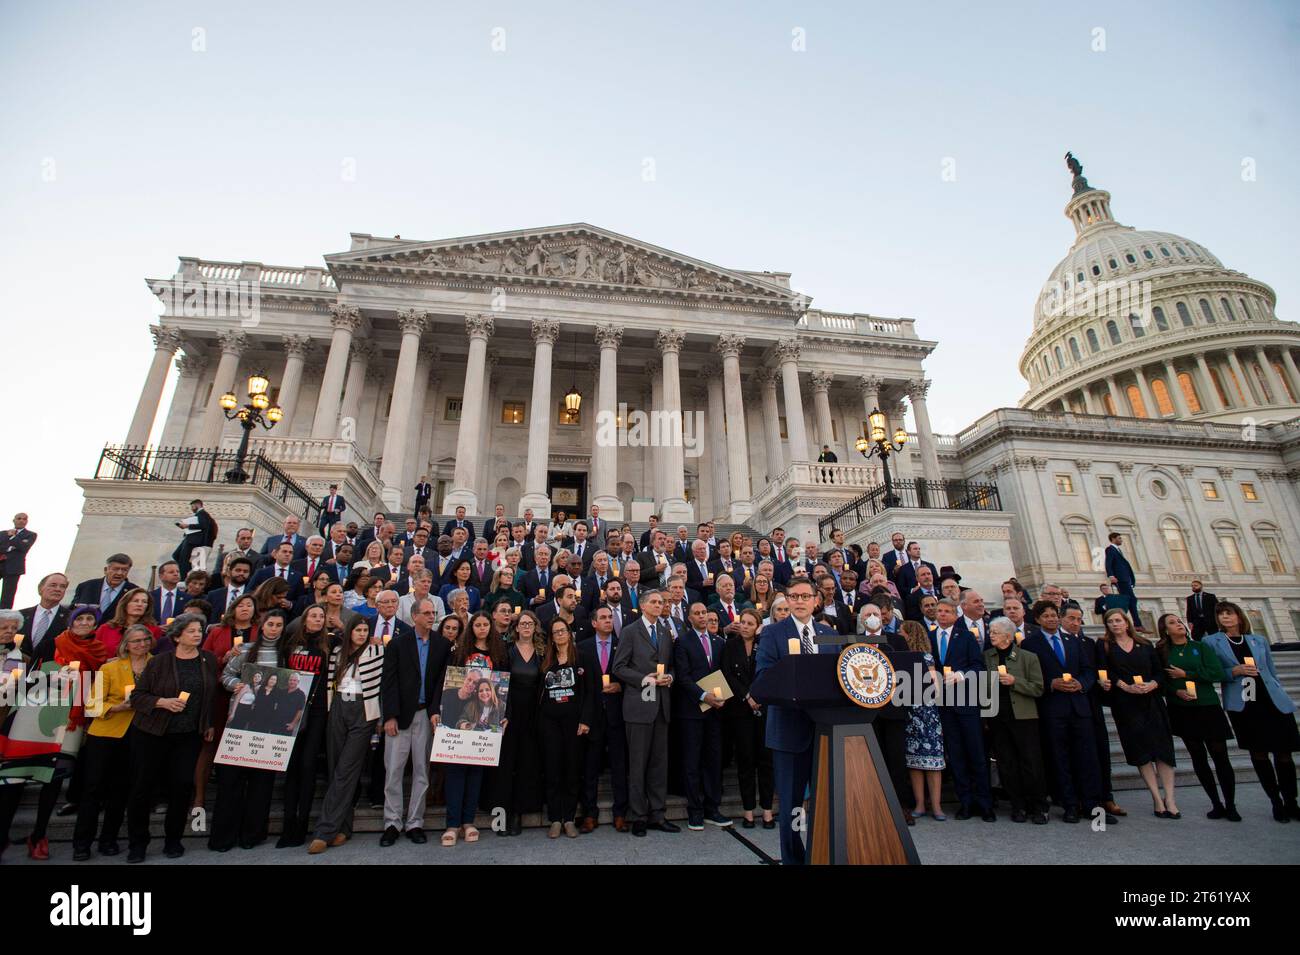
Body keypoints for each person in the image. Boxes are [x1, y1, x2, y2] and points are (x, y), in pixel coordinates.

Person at [0, 604, 109, 861]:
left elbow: (97, 688)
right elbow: (25, 679)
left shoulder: (100, 652)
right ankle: (2, 835)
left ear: (95, 625)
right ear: (70, 623)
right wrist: (50, 679)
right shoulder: (51, 643)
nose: (84, 622)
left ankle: (38, 835)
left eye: (89, 619)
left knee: (53, 782)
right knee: (14, 780)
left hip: (69, 724)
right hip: (32, 719)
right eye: (79, 618)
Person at [753, 576, 841, 864]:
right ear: (787, 600)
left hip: (824, 730)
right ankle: (793, 858)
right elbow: (763, 678)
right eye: (794, 596)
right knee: (792, 806)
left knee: (826, 799)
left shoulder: (827, 635)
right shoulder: (772, 633)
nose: (800, 601)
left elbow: (838, 676)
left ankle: (822, 852)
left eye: (805, 596)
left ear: (817, 601)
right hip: (788, 731)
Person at [125, 613, 218, 862]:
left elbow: (210, 695)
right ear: (177, 636)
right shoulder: (159, 663)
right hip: (153, 733)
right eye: (191, 631)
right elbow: (138, 697)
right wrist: (162, 702)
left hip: (188, 735)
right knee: (143, 788)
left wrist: (207, 723)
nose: (197, 635)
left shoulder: (208, 660)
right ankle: (138, 843)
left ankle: (173, 840)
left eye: (199, 630)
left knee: (181, 787)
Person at [1203, 602, 1299, 822]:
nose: (1225, 617)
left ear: (1239, 616)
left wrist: (1279, 692)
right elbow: (1212, 671)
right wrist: (1233, 671)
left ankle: (1291, 801)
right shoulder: (1211, 642)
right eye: (1220, 614)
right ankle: (1276, 803)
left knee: (1284, 754)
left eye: (1229, 613)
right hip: (1245, 701)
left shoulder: (1258, 640)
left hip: (1271, 699)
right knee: (1259, 753)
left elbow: (1271, 671)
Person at [1021, 600, 1107, 824]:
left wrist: (1081, 684)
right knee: (1060, 758)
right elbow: (1030, 676)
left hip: (1079, 707)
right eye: (1046, 616)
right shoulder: (1030, 644)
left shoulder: (1073, 640)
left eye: (1053, 615)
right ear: (1037, 619)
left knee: (1086, 757)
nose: (1051, 619)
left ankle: (1091, 804)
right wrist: (1051, 684)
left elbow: (1089, 670)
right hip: (1052, 708)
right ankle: (1069, 804)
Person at [71, 622, 152, 859]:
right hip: (106, 733)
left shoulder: (157, 665)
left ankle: (109, 839)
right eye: (136, 640)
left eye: (145, 640)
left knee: (121, 791)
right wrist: (118, 707)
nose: (142, 644)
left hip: (139, 734)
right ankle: (82, 842)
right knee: (94, 789)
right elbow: (93, 704)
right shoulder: (111, 668)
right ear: (126, 644)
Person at [208, 609, 286, 851]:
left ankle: (252, 834)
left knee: (261, 783)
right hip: (241, 718)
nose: (274, 628)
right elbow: (226, 675)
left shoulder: (285, 653)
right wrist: (236, 685)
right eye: (270, 624)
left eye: (279, 625)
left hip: (269, 721)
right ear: (262, 626)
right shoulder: (245, 650)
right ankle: (223, 836)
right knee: (231, 781)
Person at [379, 597, 451, 846]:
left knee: (422, 770)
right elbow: (388, 683)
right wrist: (389, 716)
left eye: (433, 613)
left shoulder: (442, 645)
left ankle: (415, 823)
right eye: (427, 613)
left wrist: (435, 711)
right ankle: (392, 823)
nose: (432, 617)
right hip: (399, 716)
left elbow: (441, 682)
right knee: (394, 770)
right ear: (415, 616)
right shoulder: (398, 644)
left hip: (425, 714)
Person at [309, 617, 383, 853]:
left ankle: (325, 830)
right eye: (357, 630)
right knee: (335, 767)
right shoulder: (337, 651)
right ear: (349, 631)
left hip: (364, 709)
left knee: (347, 768)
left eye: (365, 630)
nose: (361, 634)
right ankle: (344, 828)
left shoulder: (377, 649)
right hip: (339, 705)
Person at [1098, 609, 1179, 817]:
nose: (1115, 624)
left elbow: (1159, 671)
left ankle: (1169, 798)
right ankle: (1156, 798)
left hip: (1151, 700)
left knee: (1163, 749)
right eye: (1110, 622)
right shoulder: (1106, 646)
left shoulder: (1145, 644)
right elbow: (1105, 671)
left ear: (1127, 623)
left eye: (1118, 620)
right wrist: (1124, 687)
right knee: (1141, 751)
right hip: (1126, 704)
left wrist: (1152, 684)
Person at [1157, 612, 1237, 821]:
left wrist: (1187, 675)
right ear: (1165, 630)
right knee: (1198, 757)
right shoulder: (1163, 652)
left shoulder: (1200, 647)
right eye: (1173, 623)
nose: (1179, 625)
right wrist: (1176, 691)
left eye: (1180, 621)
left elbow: (1216, 672)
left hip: (1207, 706)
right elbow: (1160, 681)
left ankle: (1231, 803)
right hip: (1181, 708)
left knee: (1220, 756)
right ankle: (1216, 803)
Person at [611, 589, 678, 837]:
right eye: (654, 602)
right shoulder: (630, 632)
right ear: (643, 605)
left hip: (661, 705)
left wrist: (671, 676)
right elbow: (619, 667)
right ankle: (639, 816)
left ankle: (658, 815)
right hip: (639, 705)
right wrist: (644, 679)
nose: (659, 605)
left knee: (659, 765)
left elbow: (671, 665)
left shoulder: (665, 632)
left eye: (662, 602)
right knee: (638, 764)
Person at [438, 612, 507, 846]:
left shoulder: (498, 653)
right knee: (456, 770)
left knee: (476, 772)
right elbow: (444, 683)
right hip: (457, 717)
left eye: (486, 624)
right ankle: (452, 823)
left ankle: (468, 821)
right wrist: (435, 711)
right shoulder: (458, 652)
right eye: (477, 625)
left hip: (486, 719)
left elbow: (506, 685)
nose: (482, 628)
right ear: (471, 627)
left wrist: (505, 716)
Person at [276, 604, 333, 847]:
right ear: (304, 618)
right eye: (313, 616)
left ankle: (302, 824)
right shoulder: (290, 643)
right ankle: (288, 824)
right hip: (291, 707)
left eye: (322, 616)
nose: (318, 620)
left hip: (318, 708)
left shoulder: (329, 644)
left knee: (309, 765)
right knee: (293, 767)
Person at [983, 617, 1047, 824]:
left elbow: (1038, 687)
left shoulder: (1027, 657)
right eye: (990, 631)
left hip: (1023, 717)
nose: (991, 635)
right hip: (998, 717)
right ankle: (1017, 805)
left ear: (1008, 636)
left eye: (995, 632)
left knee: (1030, 762)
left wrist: (1015, 681)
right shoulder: (987, 657)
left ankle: (1037, 805)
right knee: (1006, 763)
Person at [674, 601, 731, 830]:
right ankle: (694, 810)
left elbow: (723, 672)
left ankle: (712, 808)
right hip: (691, 711)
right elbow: (683, 677)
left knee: (713, 760)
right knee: (692, 761)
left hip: (715, 711)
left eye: (704, 613)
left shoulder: (718, 642)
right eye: (696, 613)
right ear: (689, 618)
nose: (701, 616)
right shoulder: (683, 642)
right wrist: (704, 695)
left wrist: (721, 696)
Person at [490, 610, 545, 836]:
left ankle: (519, 815)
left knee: (526, 765)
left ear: (535, 627)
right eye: (522, 623)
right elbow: (500, 684)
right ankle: (502, 816)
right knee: (505, 767)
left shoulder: (542, 653)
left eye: (530, 623)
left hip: (533, 716)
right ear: (516, 628)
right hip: (509, 716)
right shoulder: (506, 652)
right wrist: (504, 713)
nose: (526, 627)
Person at [538, 617, 593, 838]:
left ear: (569, 633)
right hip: (549, 723)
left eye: (563, 631)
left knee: (571, 770)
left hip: (574, 723)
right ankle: (554, 819)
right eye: (556, 632)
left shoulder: (583, 658)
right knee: (552, 770)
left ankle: (569, 818)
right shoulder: (545, 660)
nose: (560, 635)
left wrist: (586, 720)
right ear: (551, 637)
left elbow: (590, 692)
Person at [721, 607, 774, 829]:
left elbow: (769, 671)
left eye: (750, 623)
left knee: (765, 761)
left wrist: (758, 695)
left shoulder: (765, 645)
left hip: (764, 709)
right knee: (745, 761)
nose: (745, 626)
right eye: (742, 622)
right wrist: (746, 696)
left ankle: (768, 810)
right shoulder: (730, 646)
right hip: (740, 710)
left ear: (758, 626)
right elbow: (727, 674)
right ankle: (748, 810)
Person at [576, 605, 628, 831]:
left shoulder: (622, 644)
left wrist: (621, 685)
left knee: (619, 766)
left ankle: (620, 814)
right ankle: (589, 814)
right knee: (590, 767)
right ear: (594, 623)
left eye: (610, 617)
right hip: (593, 715)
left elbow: (631, 672)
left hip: (617, 715)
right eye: (603, 618)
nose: (608, 620)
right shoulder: (582, 648)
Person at [899, 619, 946, 821]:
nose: (899, 635)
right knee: (914, 761)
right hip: (908, 711)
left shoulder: (926, 657)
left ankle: (936, 805)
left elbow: (935, 686)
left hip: (926, 711)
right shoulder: (901, 656)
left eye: (902, 632)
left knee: (933, 761)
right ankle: (919, 803)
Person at [95, 587, 162, 658]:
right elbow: (95, 654)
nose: (140, 604)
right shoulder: (106, 629)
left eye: (144, 602)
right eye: (136, 601)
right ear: (125, 604)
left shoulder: (153, 630)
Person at [71, 553, 136, 617]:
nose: (119, 573)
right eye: (116, 569)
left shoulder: (133, 591)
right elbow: (73, 611)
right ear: (105, 570)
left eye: (124, 570)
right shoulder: (85, 587)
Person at [0, 513, 36, 609]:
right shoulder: (3, 533)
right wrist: (10, 548)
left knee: (7, 595)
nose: (21, 520)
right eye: (19, 518)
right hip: (1, 563)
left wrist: (13, 537)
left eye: (24, 519)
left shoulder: (30, 535)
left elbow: (24, 547)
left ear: (26, 521)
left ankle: (3, 615)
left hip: (14, 567)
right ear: (14, 520)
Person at [173, 499, 217, 576]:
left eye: (192, 506)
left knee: (184, 559)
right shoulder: (200, 515)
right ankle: (185, 573)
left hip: (193, 542)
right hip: (190, 540)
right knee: (177, 555)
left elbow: (203, 525)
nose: (191, 509)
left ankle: (184, 577)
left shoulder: (202, 514)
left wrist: (187, 526)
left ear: (197, 505)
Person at [1104, 531, 1140, 626]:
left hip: (1126, 579)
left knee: (1131, 600)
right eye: (1119, 538)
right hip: (1121, 579)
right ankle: (1137, 624)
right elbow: (1108, 563)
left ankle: (1135, 623)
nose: (1121, 540)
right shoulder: (1110, 549)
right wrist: (1111, 576)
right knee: (1131, 599)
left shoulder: (1118, 550)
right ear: (1113, 539)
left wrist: (1131, 580)